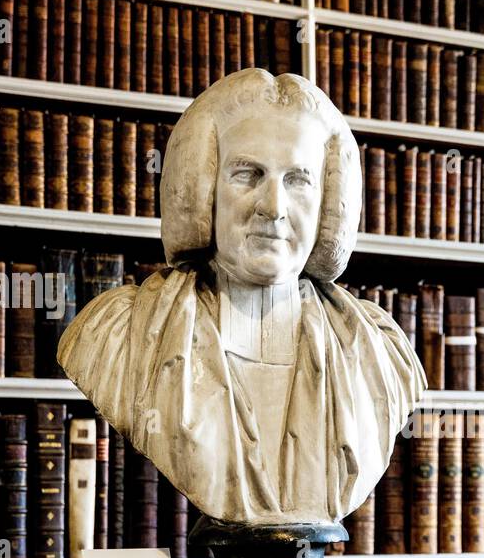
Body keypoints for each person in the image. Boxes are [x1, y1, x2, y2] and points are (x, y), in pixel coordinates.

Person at [57, 69, 426, 526]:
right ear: (202, 190)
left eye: (297, 180)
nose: (273, 206)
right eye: (248, 174)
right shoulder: (118, 335)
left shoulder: (379, 353)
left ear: (329, 199)